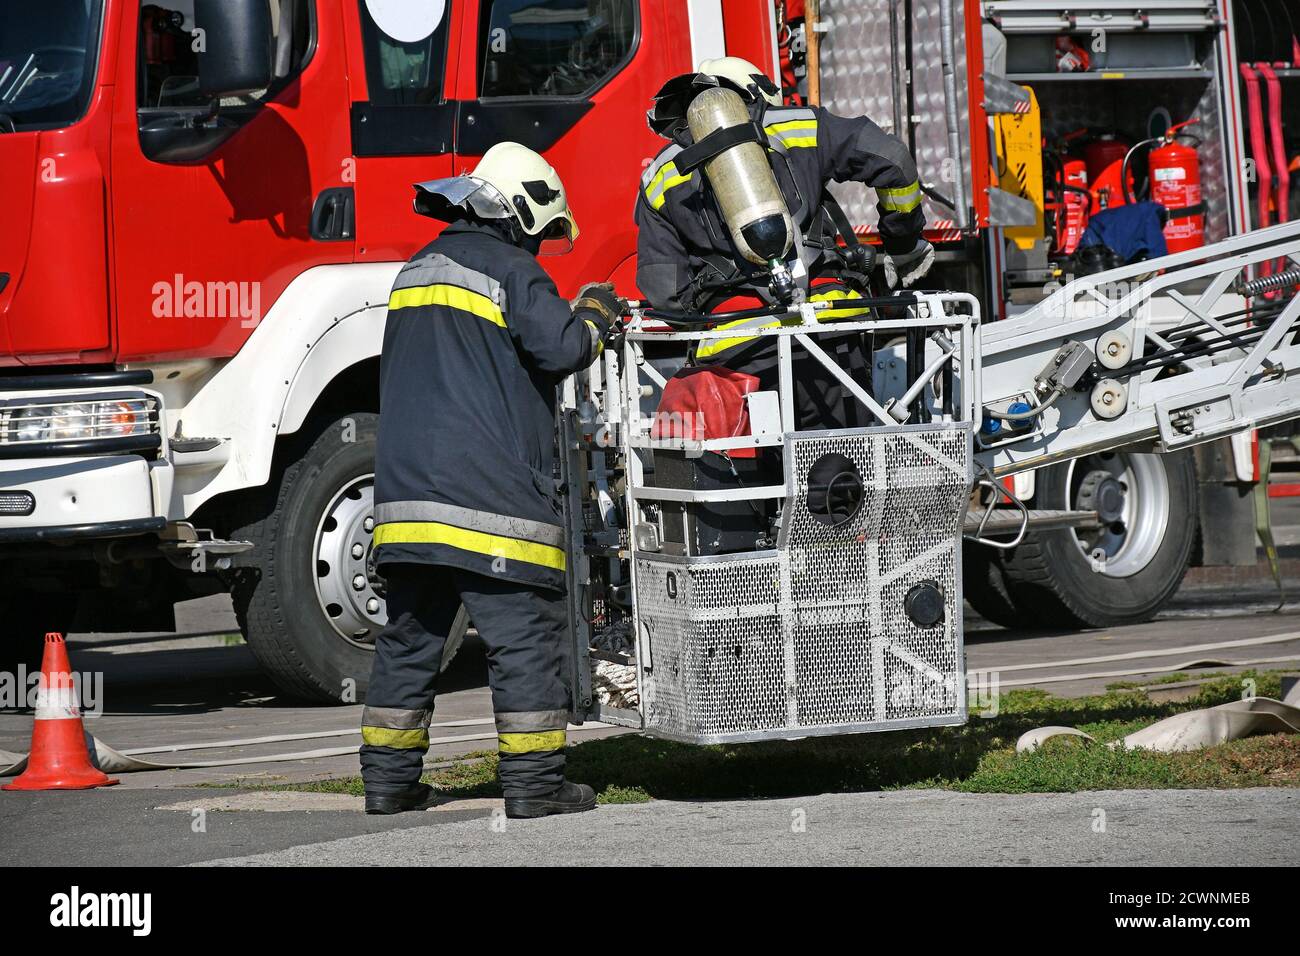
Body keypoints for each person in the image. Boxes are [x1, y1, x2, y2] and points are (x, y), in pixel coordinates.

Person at [360, 142, 621, 818]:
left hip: (407, 499)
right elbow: (561, 349)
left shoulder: (415, 270)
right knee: (523, 640)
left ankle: (388, 784)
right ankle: (535, 787)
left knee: (410, 641)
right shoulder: (511, 269)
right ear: (526, 210)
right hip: (487, 505)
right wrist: (596, 312)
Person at [635, 57, 933, 428]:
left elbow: (667, 293)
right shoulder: (801, 126)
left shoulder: (660, 175)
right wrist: (903, 243)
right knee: (838, 464)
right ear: (754, 92)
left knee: (759, 477)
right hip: (829, 331)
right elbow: (895, 161)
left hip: (739, 354)